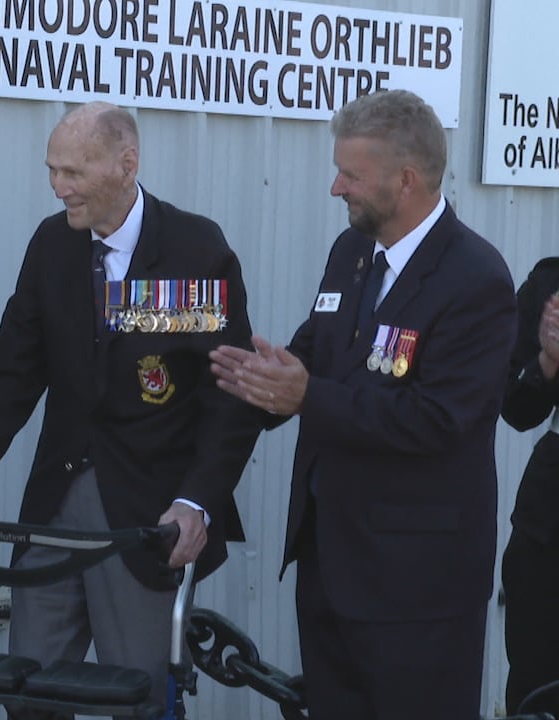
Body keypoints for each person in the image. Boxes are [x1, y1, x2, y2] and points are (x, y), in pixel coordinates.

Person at [0, 101, 261, 715]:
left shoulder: (193, 249)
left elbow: (226, 396)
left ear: (127, 164)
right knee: (30, 692)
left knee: (139, 696)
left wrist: (197, 501)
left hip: (146, 518)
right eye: (52, 169)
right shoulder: (53, 245)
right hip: (56, 506)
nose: (58, 186)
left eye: (73, 171)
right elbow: (12, 372)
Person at [209, 89, 515, 720]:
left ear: (405, 180)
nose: (335, 188)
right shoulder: (351, 254)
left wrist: (306, 395)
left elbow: (438, 421)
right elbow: (316, 353)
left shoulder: (476, 278)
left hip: (417, 589)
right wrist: (261, 380)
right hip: (331, 566)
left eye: (351, 174)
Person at [501, 258, 559, 716]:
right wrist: (547, 362)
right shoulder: (549, 284)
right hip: (548, 527)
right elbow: (515, 409)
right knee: (536, 685)